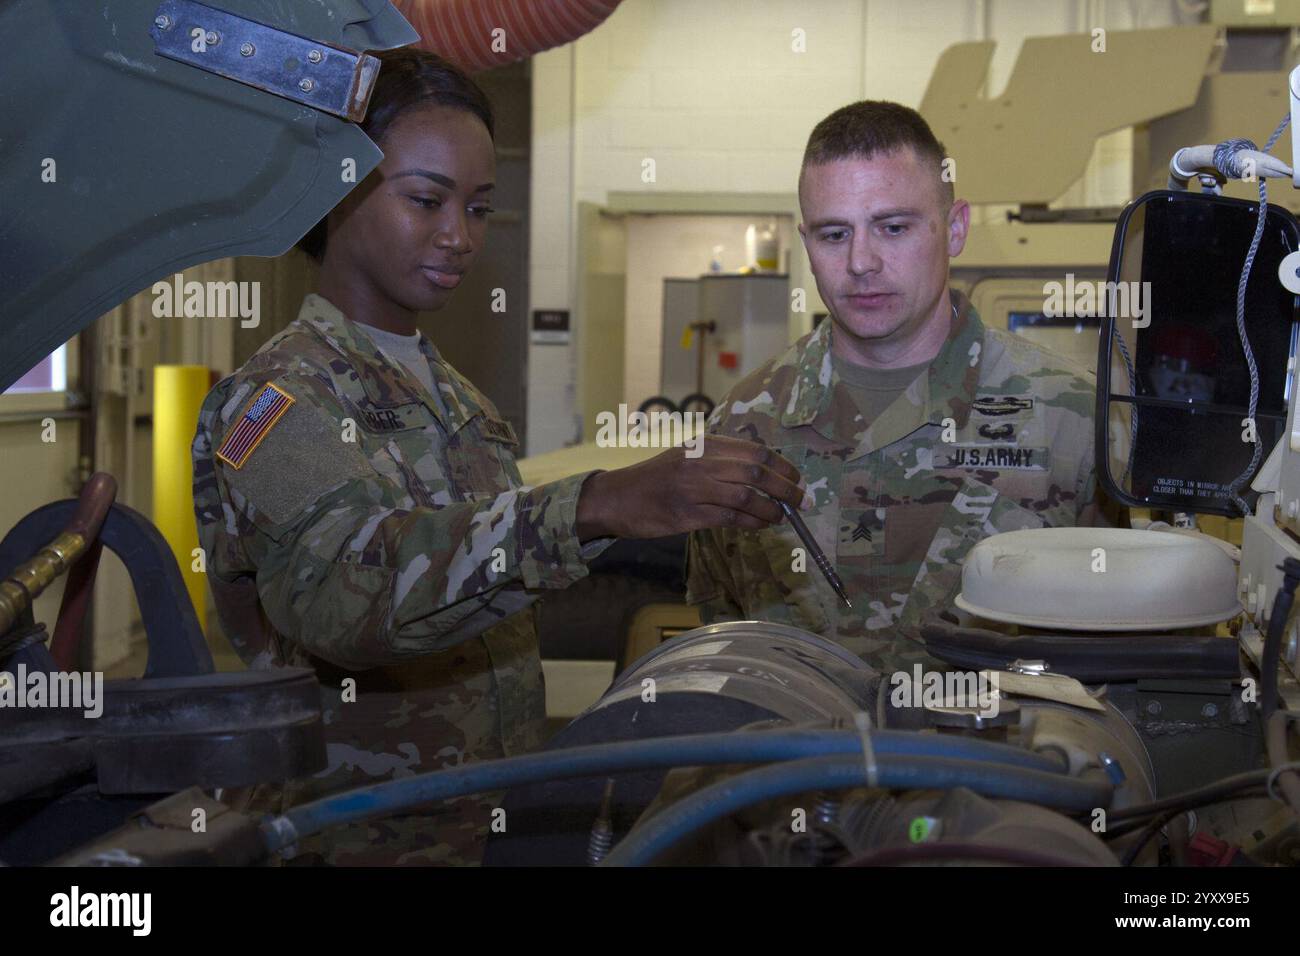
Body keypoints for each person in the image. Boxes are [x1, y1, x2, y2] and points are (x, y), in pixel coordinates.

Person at [190, 47, 806, 865]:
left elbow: (485, 586)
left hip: (488, 825)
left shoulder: (458, 401)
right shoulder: (274, 402)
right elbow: (341, 598)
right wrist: (597, 504)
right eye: (426, 200)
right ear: (334, 189)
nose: (459, 237)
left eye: (479, 208)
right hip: (357, 836)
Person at [686, 101, 1099, 674]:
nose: (861, 261)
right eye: (834, 234)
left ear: (954, 230)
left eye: (893, 227)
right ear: (807, 243)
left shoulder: (1073, 417)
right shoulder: (746, 421)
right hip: (793, 757)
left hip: (1001, 759)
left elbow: (1123, 647)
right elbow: (719, 628)